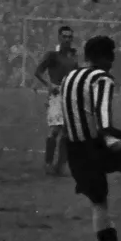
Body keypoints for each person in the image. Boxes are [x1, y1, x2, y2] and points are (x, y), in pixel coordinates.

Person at [59, 35, 121, 241]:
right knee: (120, 147)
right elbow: (102, 110)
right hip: (96, 142)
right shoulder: (102, 78)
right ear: (106, 57)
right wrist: (108, 136)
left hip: (75, 148)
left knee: (99, 204)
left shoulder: (69, 77)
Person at [33, 24, 80, 176]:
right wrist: (49, 84)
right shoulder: (52, 55)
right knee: (54, 130)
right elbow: (38, 72)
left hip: (71, 95)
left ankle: (60, 166)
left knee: (67, 133)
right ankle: (48, 163)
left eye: (69, 37)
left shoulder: (73, 56)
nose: (67, 39)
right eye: (64, 36)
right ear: (59, 37)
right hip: (57, 94)